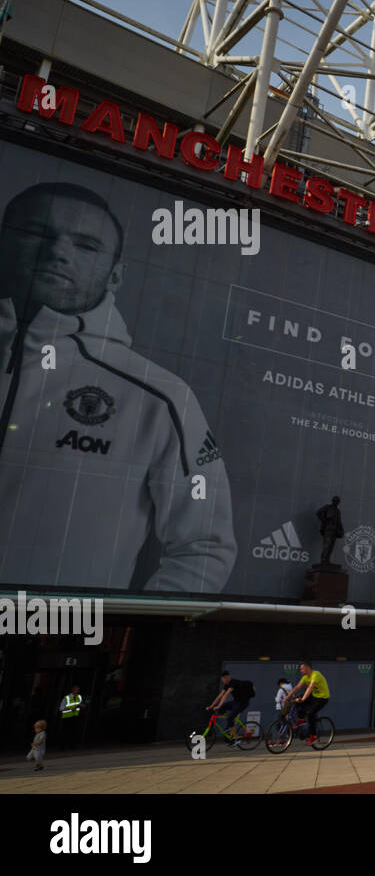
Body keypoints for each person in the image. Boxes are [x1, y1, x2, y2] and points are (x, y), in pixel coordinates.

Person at [0, 182, 237, 592]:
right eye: (38, 233)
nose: (58, 252)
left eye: (86, 245)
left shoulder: (159, 397)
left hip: (47, 648)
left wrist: (124, 636)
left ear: (115, 275)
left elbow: (204, 545)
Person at [284, 660, 330, 745]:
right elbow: (297, 687)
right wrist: (288, 697)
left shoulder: (315, 674)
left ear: (307, 668)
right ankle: (301, 719)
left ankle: (313, 737)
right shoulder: (305, 677)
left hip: (323, 698)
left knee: (310, 714)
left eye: (302, 669)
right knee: (298, 700)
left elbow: (310, 687)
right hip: (314, 696)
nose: (301, 670)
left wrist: (303, 699)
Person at [206, 671, 255, 743]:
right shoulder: (226, 685)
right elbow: (220, 695)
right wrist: (211, 706)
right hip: (236, 702)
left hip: (243, 703)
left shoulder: (233, 683)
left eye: (225, 678)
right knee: (221, 709)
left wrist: (218, 705)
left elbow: (226, 695)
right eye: (222, 679)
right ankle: (230, 726)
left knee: (230, 716)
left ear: (228, 677)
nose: (223, 680)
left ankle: (236, 739)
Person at [316, 496, 345, 566]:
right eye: (335, 500)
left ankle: (327, 560)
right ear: (333, 501)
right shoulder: (327, 507)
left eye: (338, 501)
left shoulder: (338, 511)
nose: (336, 502)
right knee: (327, 546)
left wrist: (341, 530)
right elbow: (318, 512)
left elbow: (339, 522)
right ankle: (323, 561)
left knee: (331, 547)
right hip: (328, 530)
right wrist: (324, 521)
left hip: (335, 531)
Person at [57, 685, 83, 751]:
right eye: (77, 690)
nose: (78, 691)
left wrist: (81, 705)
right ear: (73, 690)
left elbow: (80, 704)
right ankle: (62, 746)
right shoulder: (66, 698)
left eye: (78, 690)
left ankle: (72, 745)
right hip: (67, 717)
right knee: (65, 732)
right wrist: (70, 708)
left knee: (74, 731)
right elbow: (61, 708)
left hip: (75, 717)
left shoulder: (79, 697)